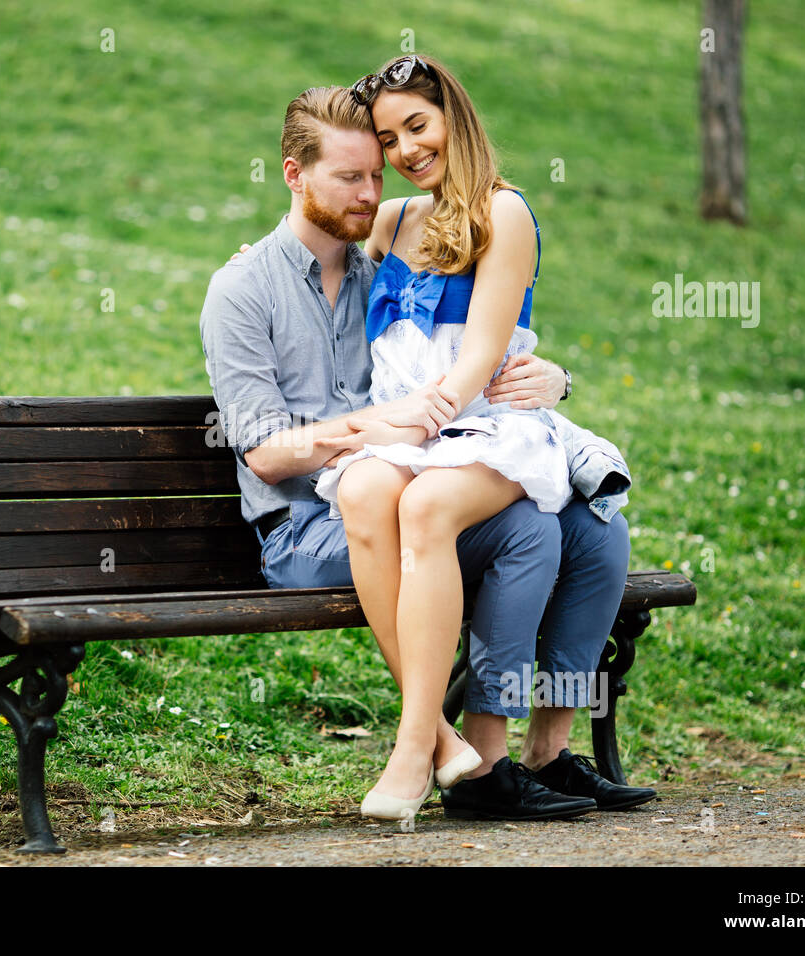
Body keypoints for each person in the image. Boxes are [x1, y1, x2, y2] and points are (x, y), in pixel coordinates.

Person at [198, 75, 652, 824]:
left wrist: (555, 377)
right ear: (294, 174)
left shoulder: (384, 255)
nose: (370, 190)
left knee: (598, 529)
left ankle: (539, 752)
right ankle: (458, 750)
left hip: (404, 476)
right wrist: (384, 425)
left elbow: (461, 340)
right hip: (307, 527)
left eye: (375, 171)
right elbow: (268, 457)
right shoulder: (246, 289)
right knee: (525, 529)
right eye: (352, 175)